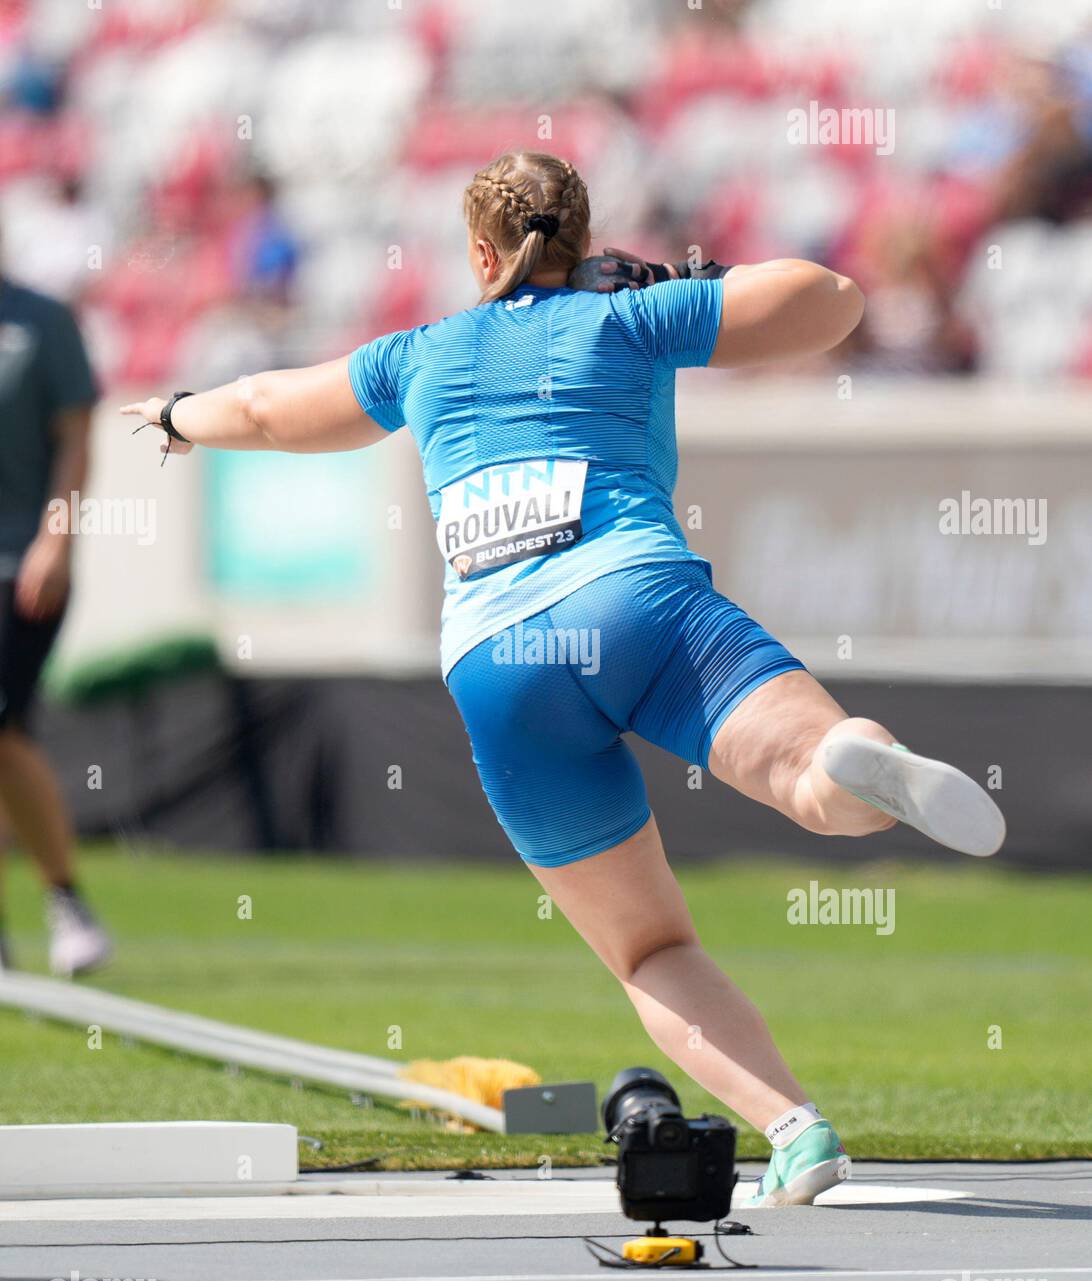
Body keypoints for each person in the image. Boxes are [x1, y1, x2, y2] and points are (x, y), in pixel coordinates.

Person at [122, 151, 1005, 1206]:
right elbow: (833, 303)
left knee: (649, 948)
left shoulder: (421, 352)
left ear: (480, 254)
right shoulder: (629, 319)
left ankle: (798, 1131)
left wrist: (177, 415)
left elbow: (267, 408)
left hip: (500, 666)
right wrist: (678, 283)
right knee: (821, 791)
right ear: (585, 242)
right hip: (637, 598)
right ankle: (850, 757)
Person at [0, 261, 113, 976]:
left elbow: (76, 438)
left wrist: (56, 537)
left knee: (5, 727)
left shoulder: (41, 320)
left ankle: (67, 900)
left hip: (20, 562)